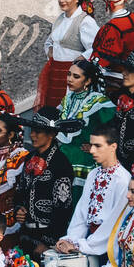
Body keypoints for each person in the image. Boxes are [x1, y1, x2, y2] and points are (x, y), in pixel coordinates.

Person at [13, 108, 83, 254]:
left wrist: (47, 242)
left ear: (51, 134)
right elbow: (20, 191)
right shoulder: (28, 158)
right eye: (32, 130)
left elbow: (63, 208)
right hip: (26, 235)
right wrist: (19, 209)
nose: (32, 135)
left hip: (48, 240)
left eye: (38, 131)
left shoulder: (61, 164)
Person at [57, 126, 131, 260]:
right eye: (91, 145)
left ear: (113, 147)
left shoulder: (123, 180)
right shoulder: (93, 174)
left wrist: (81, 245)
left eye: (98, 146)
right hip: (88, 241)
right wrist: (71, 239)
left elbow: (115, 222)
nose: (91, 150)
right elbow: (81, 211)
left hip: (109, 248)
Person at [36, 0, 98, 110]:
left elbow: (96, 48)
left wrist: (81, 58)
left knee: (67, 111)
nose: (62, 0)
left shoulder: (85, 21)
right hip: (55, 76)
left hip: (72, 78)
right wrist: (50, 50)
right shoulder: (60, 19)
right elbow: (50, 41)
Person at [55, 58, 115, 194]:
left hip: (84, 158)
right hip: (64, 154)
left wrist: (97, 147)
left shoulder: (98, 102)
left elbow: (113, 129)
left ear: (87, 81)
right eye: (69, 74)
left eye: (76, 76)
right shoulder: (67, 100)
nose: (70, 79)